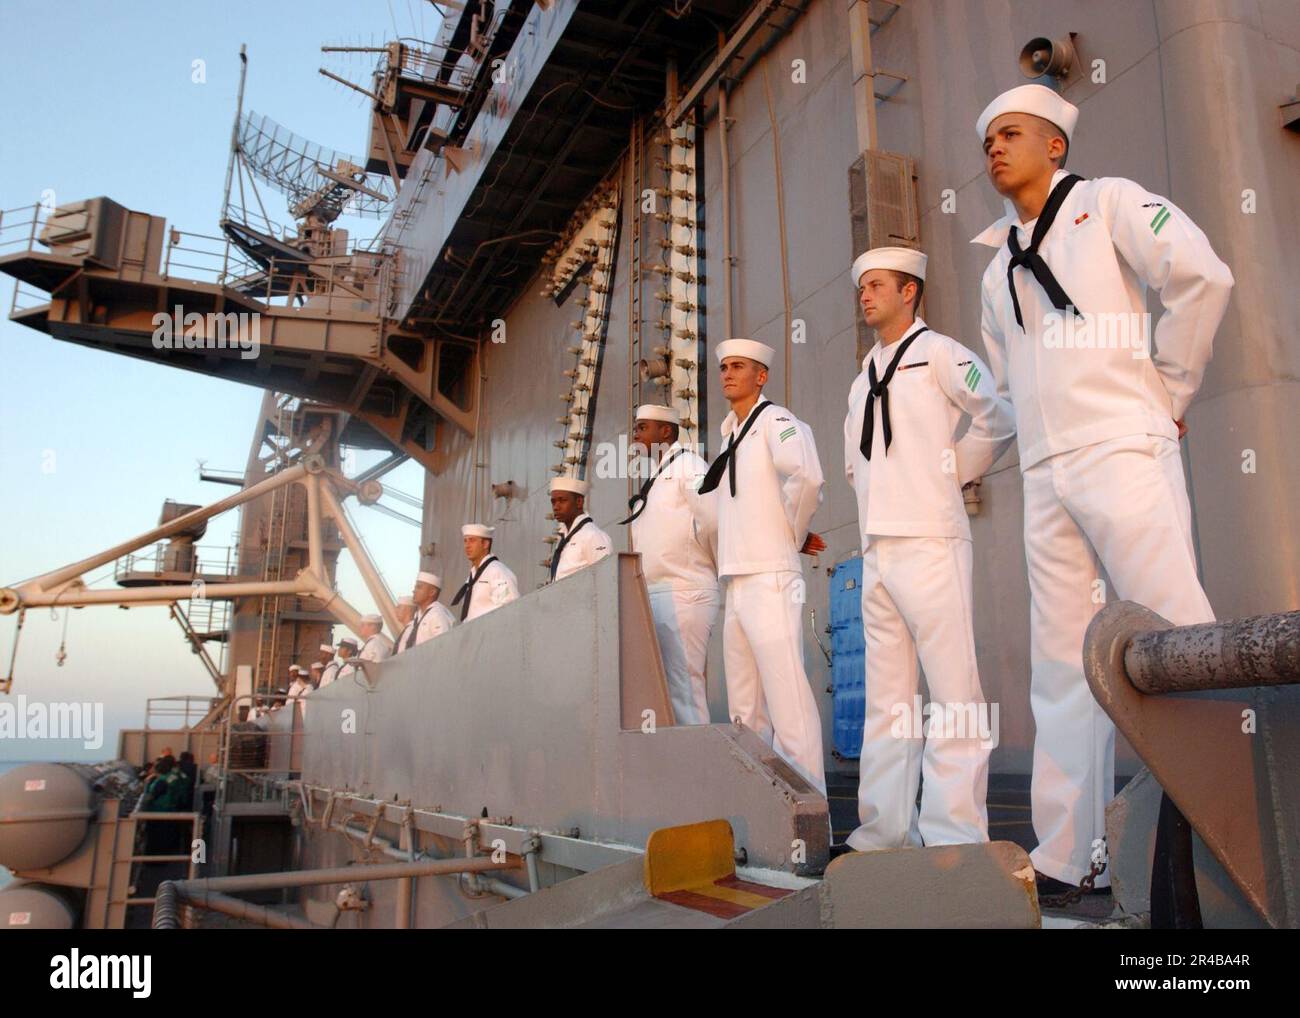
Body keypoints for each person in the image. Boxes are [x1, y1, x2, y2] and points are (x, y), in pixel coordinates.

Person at [972, 83, 1233, 894]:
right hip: (1048, 473)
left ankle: (1233, 826)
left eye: (1011, 134)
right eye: (988, 140)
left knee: (1174, 633)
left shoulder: (1111, 204)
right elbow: (1009, 384)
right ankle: (1067, 853)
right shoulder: (995, 275)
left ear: (1055, 145)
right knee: (1061, 665)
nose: (995, 148)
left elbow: (1203, 277)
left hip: (1121, 443)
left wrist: (1170, 392)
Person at [842, 246, 1015, 852]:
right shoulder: (863, 377)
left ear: (909, 291)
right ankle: (883, 833)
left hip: (932, 540)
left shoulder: (940, 352)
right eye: (862, 287)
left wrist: (953, 473)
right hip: (878, 550)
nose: (865, 295)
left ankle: (953, 837)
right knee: (888, 702)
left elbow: (995, 412)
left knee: (953, 693)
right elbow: (854, 464)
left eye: (877, 285)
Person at [693, 338, 827, 794]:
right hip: (737, 581)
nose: (727, 373)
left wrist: (790, 535)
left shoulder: (775, 421)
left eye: (739, 366)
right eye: (725, 366)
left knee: (788, 702)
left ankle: (812, 816)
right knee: (745, 712)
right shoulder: (731, 433)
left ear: (761, 376)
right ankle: (762, 810)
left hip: (771, 577)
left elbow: (806, 477)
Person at [623, 404, 718, 725]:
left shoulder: (689, 466)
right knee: (669, 690)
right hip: (659, 593)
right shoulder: (661, 472)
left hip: (685, 590)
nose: (635, 435)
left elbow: (713, 520)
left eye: (642, 428)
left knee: (686, 687)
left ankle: (698, 766)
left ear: (666, 431)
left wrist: (700, 568)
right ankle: (683, 764)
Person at [450, 524, 520, 621]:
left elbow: (509, 607)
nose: (467, 546)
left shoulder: (496, 571)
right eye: (465, 541)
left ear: (485, 544)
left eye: (472, 540)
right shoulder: (472, 577)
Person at [548, 477, 612, 582]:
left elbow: (605, 580)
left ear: (579, 502)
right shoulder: (563, 539)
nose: (556, 507)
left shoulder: (592, 536)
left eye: (562, 500)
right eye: (553, 502)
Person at [396, 571, 455, 651]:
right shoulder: (418, 617)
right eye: (415, 587)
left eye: (419, 587)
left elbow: (443, 646)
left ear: (432, 592)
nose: (414, 591)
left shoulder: (437, 614)